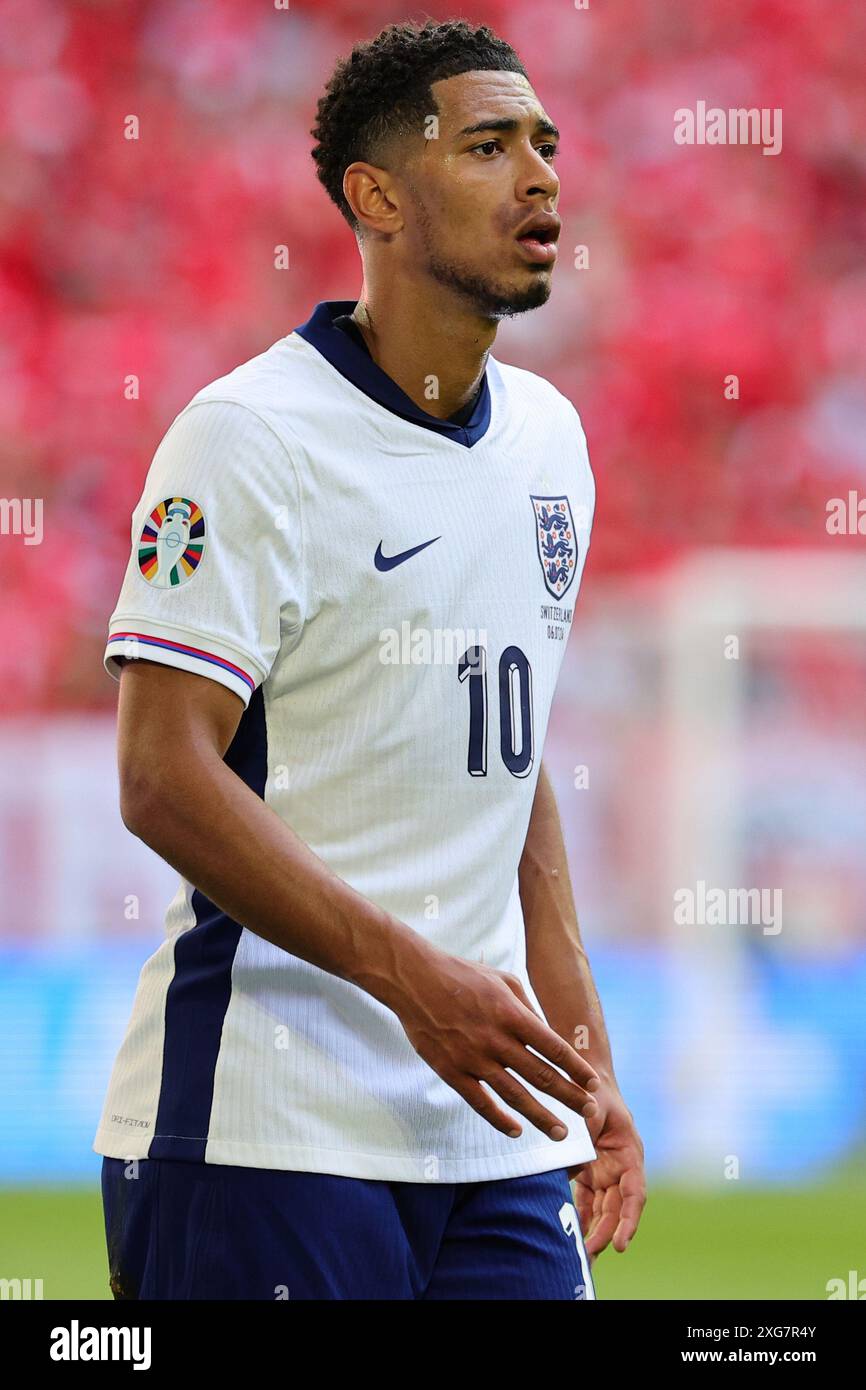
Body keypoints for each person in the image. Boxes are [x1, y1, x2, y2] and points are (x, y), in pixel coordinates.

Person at [97, 17, 645, 1301]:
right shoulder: (247, 437)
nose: (541, 176)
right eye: (489, 145)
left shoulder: (550, 440)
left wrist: (580, 1054)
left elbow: (505, 766)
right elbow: (160, 775)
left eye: (545, 145)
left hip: (493, 1129)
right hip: (264, 1126)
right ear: (377, 196)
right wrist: (411, 979)